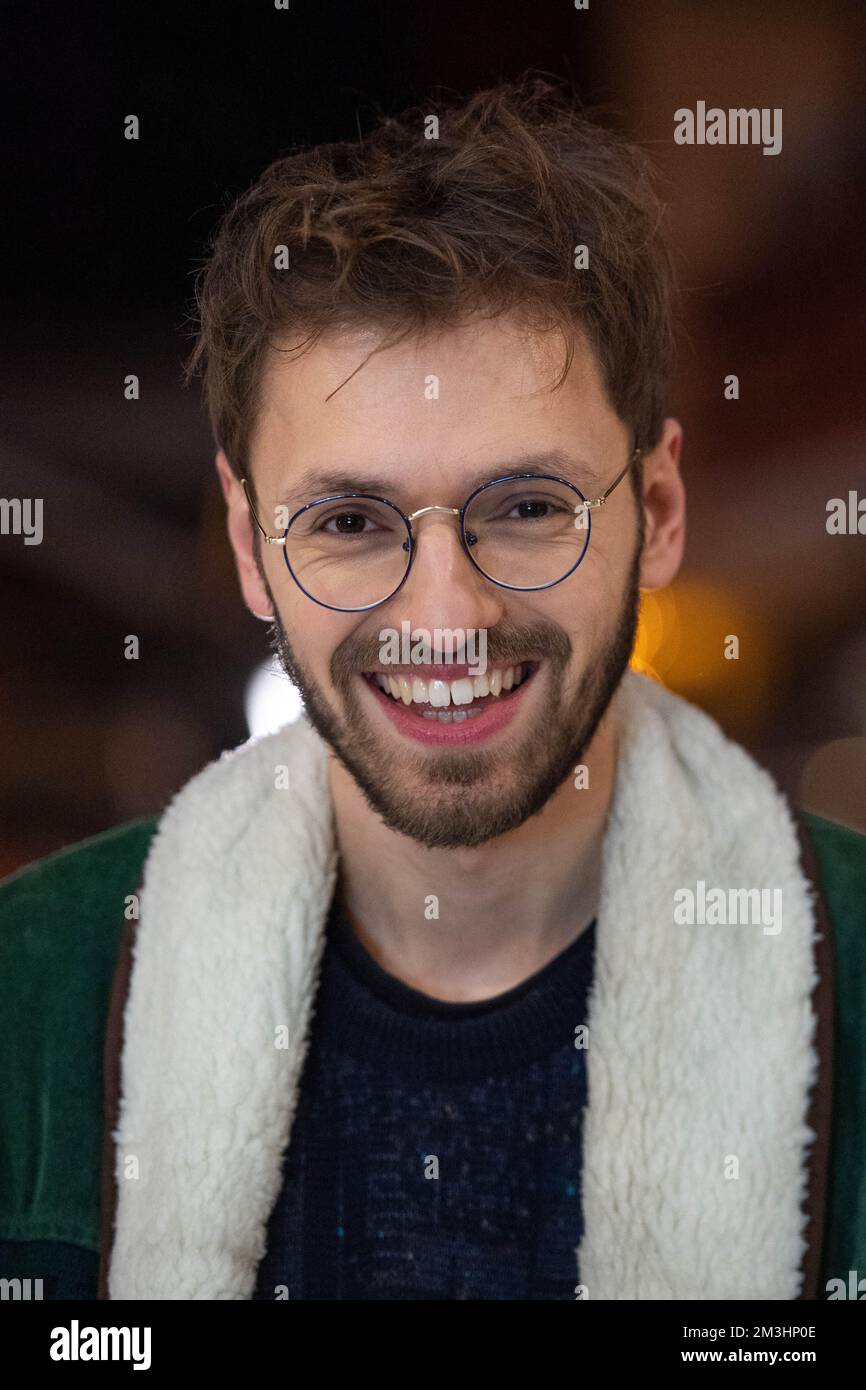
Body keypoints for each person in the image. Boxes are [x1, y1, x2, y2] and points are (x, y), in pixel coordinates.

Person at [1, 77, 864, 1303]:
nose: (445, 616)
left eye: (524, 509)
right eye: (350, 521)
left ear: (657, 513)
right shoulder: (29, 988)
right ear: (249, 549)